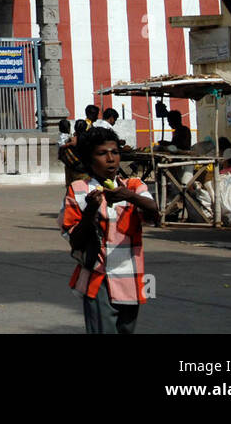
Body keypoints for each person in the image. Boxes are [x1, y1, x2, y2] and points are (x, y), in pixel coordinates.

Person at [58, 127, 159, 334]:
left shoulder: (132, 185)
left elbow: (154, 211)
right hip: (99, 278)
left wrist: (128, 196)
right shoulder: (79, 190)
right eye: (102, 154)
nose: (111, 159)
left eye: (115, 152)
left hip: (131, 276)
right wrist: (90, 211)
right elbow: (75, 240)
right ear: (89, 159)